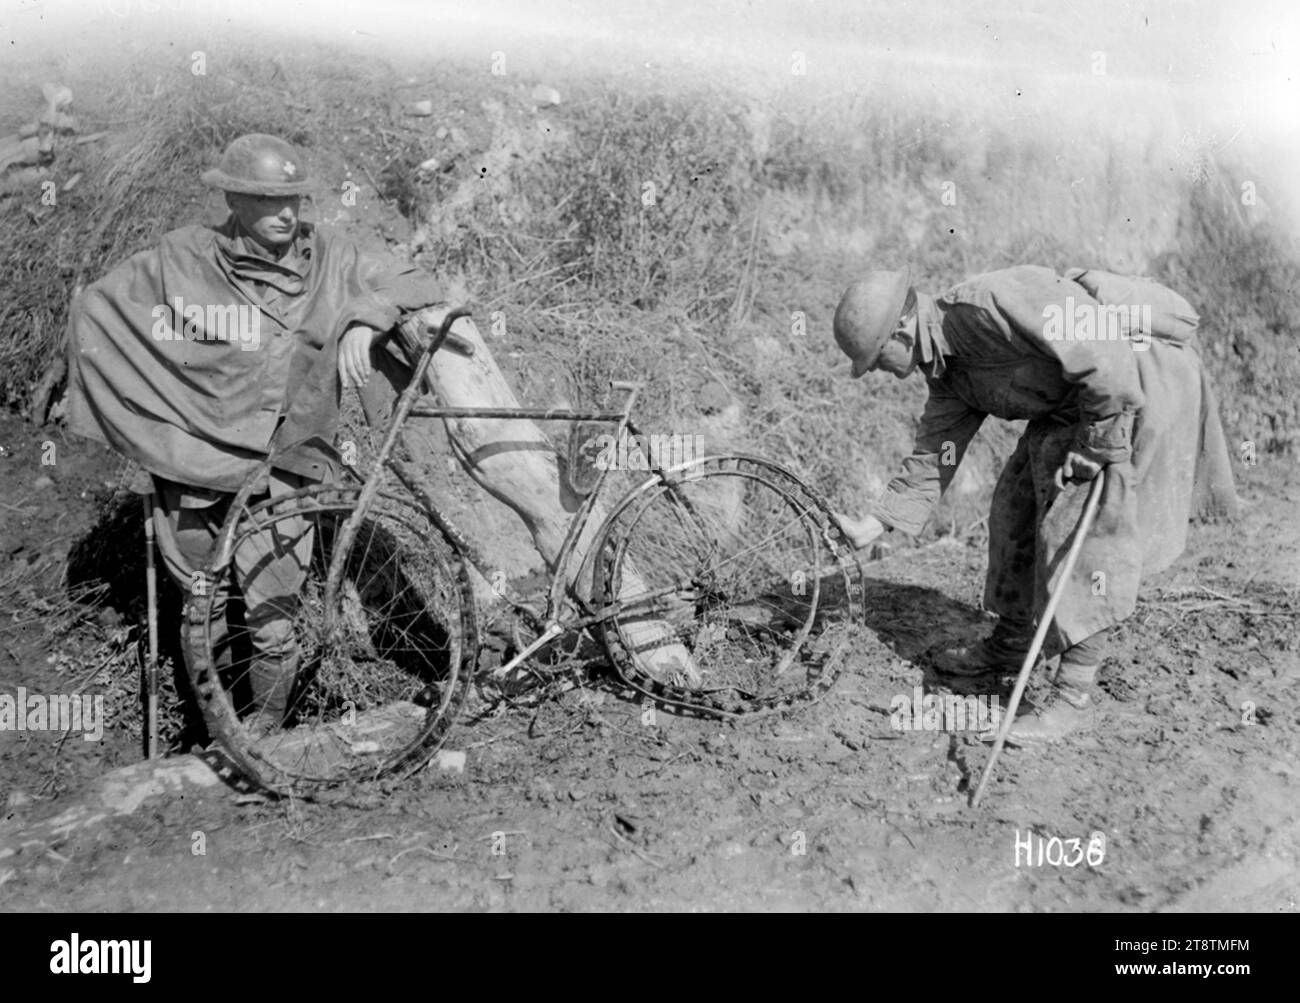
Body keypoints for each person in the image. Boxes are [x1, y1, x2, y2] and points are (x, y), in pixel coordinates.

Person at [66, 133, 442, 733]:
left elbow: (416, 280)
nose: (287, 213)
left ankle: (265, 733)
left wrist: (360, 321)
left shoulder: (331, 260)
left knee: (273, 616)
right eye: (269, 201)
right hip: (195, 466)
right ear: (235, 200)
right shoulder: (181, 259)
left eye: (293, 198)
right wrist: (154, 418)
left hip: (285, 468)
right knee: (202, 609)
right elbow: (97, 311)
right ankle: (218, 733)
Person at [832, 265, 1238, 741]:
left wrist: (1097, 445)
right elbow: (933, 455)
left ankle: (1072, 697)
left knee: (1082, 528)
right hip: (1072, 407)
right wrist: (873, 526)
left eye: (877, 358)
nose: (880, 370)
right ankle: (1011, 643)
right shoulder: (949, 373)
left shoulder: (989, 305)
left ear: (900, 330)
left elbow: (1100, 347)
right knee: (1014, 505)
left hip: (1130, 388)